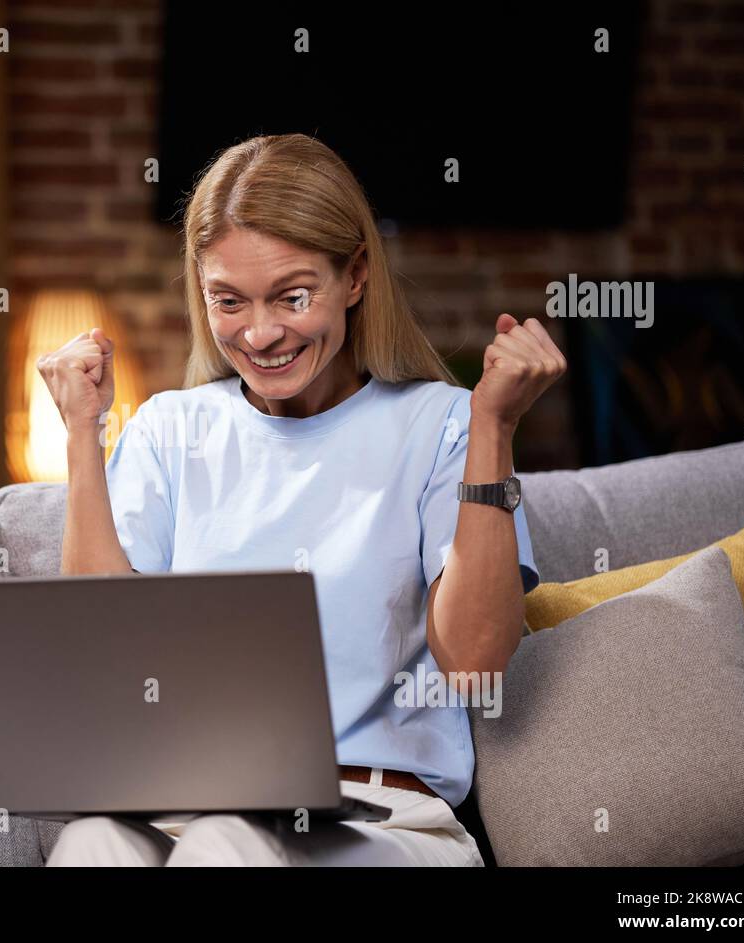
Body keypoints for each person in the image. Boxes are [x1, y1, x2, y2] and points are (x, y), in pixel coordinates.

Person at [34, 133, 565, 866]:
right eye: (230, 301)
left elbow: (476, 659)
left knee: (228, 843)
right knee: (92, 840)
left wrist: (493, 425)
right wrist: (82, 434)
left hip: (386, 822)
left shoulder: (442, 424)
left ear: (354, 277)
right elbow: (101, 662)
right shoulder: (169, 430)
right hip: (195, 814)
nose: (260, 333)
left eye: (292, 295)